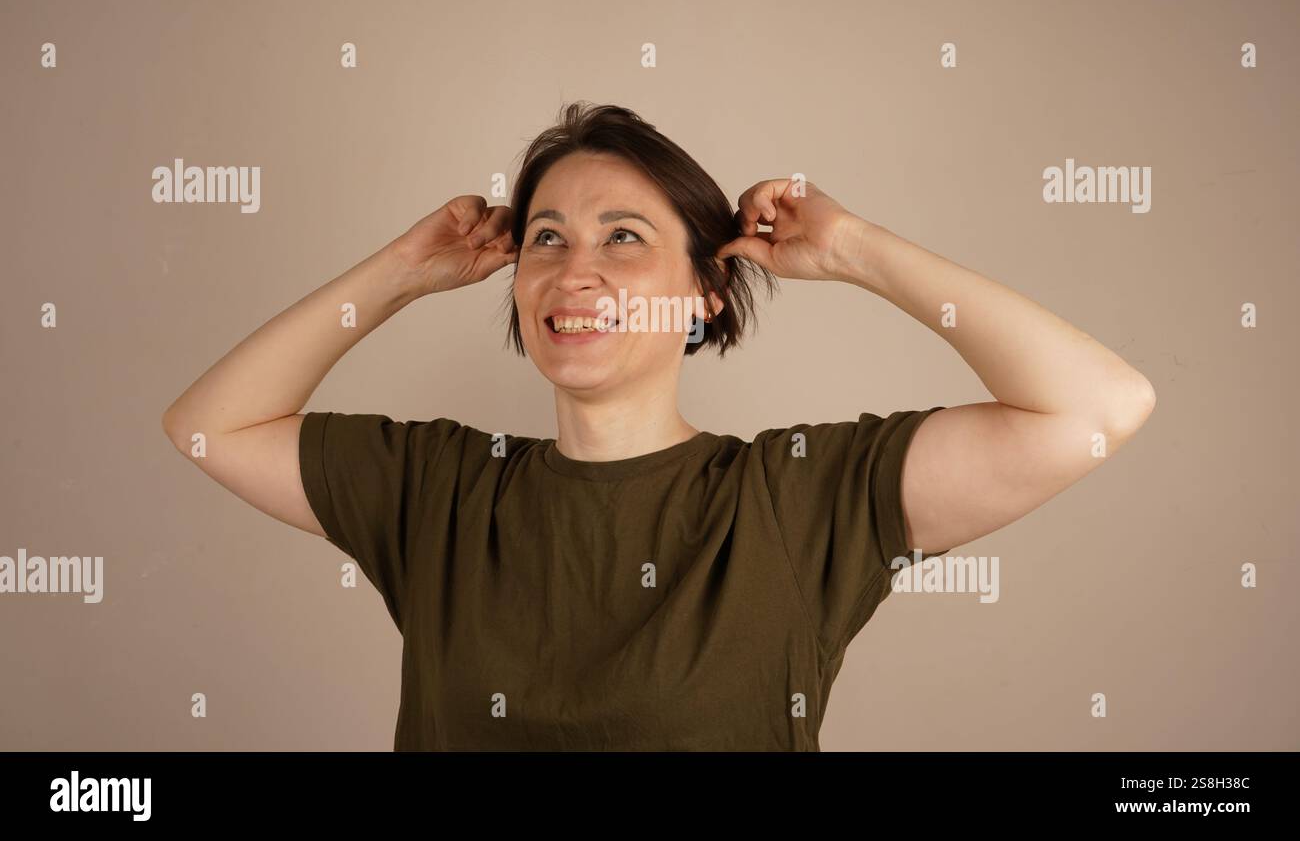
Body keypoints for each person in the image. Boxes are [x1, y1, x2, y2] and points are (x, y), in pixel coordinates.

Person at [161, 101, 1156, 750]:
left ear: (705, 296)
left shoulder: (798, 498)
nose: (572, 268)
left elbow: (1096, 406)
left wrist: (852, 247)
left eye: (623, 237)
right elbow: (209, 424)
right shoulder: (438, 490)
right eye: (545, 238)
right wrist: (399, 271)